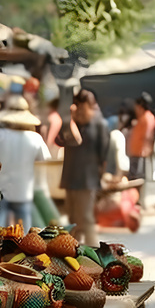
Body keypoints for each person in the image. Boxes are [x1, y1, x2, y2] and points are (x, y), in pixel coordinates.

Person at [0, 95, 51, 231]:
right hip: (23, 191)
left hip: (1, 189)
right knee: (26, 233)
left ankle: (0, 252)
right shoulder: (35, 138)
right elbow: (45, 158)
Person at [57, 89, 110, 246]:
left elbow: (104, 154)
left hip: (88, 179)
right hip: (71, 176)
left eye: (81, 106)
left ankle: (95, 254)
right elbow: (60, 140)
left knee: (85, 218)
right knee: (73, 219)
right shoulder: (72, 122)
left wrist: (101, 176)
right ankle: (73, 251)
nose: (79, 109)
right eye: (76, 105)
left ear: (90, 105)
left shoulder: (99, 124)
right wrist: (69, 120)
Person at [127, 92, 155, 209]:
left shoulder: (147, 118)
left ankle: (138, 201)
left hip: (140, 153)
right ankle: (135, 201)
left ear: (140, 106)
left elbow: (148, 137)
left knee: (137, 179)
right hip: (136, 152)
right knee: (135, 178)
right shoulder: (141, 118)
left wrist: (145, 150)